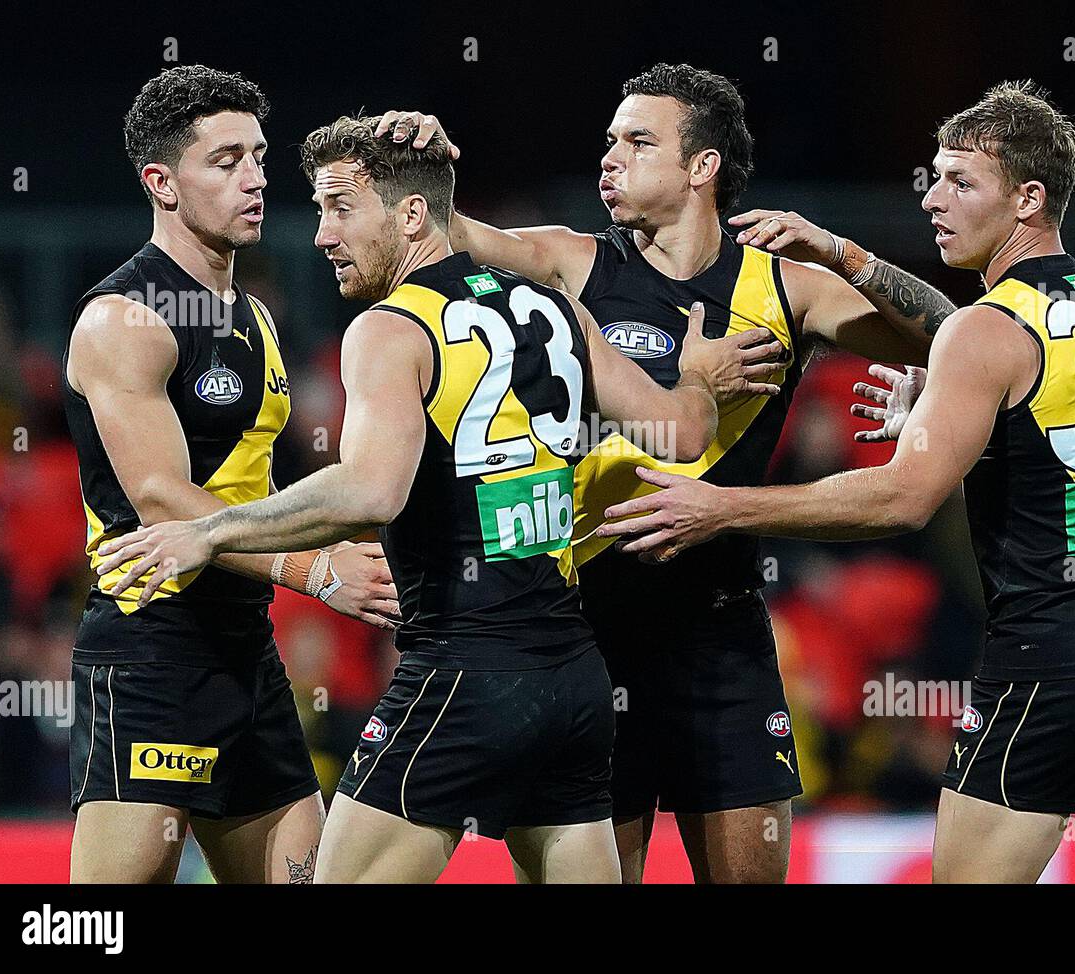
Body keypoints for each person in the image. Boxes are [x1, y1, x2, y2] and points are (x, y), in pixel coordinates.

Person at [93, 114, 784, 883]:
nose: (322, 234)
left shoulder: (389, 329)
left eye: (340, 208)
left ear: (412, 214)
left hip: (463, 671)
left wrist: (213, 532)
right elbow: (685, 434)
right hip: (575, 681)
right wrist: (695, 374)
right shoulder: (556, 308)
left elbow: (369, 491)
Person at [597, 81, 1075, 884]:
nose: (933, 200)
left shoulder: (987, 328)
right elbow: (1061, 440)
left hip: (1051, 655)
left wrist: (722, 507)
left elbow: (903, 499)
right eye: (934, 177)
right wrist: (960, 418)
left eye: (961, 182)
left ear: (1028, 198)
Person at [375, 61, 954, 882]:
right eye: (609, 141)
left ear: (702, 166)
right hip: (588, 634)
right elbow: (444, 233)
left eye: (639, 141)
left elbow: (966, 341)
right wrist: (424, 165)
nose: (610, 158)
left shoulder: (788, 288)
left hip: (721, 636)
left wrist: (846, 253)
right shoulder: (573, 265)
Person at [64, 66, 399, 884]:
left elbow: (269, 491)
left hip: (246, 649)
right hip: (151, 651)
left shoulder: (251, 317)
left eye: (257, 155)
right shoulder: (123, 319)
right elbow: (162, 503)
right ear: (162, 183)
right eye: (224, 161)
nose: (255, 178)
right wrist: (312, 570)